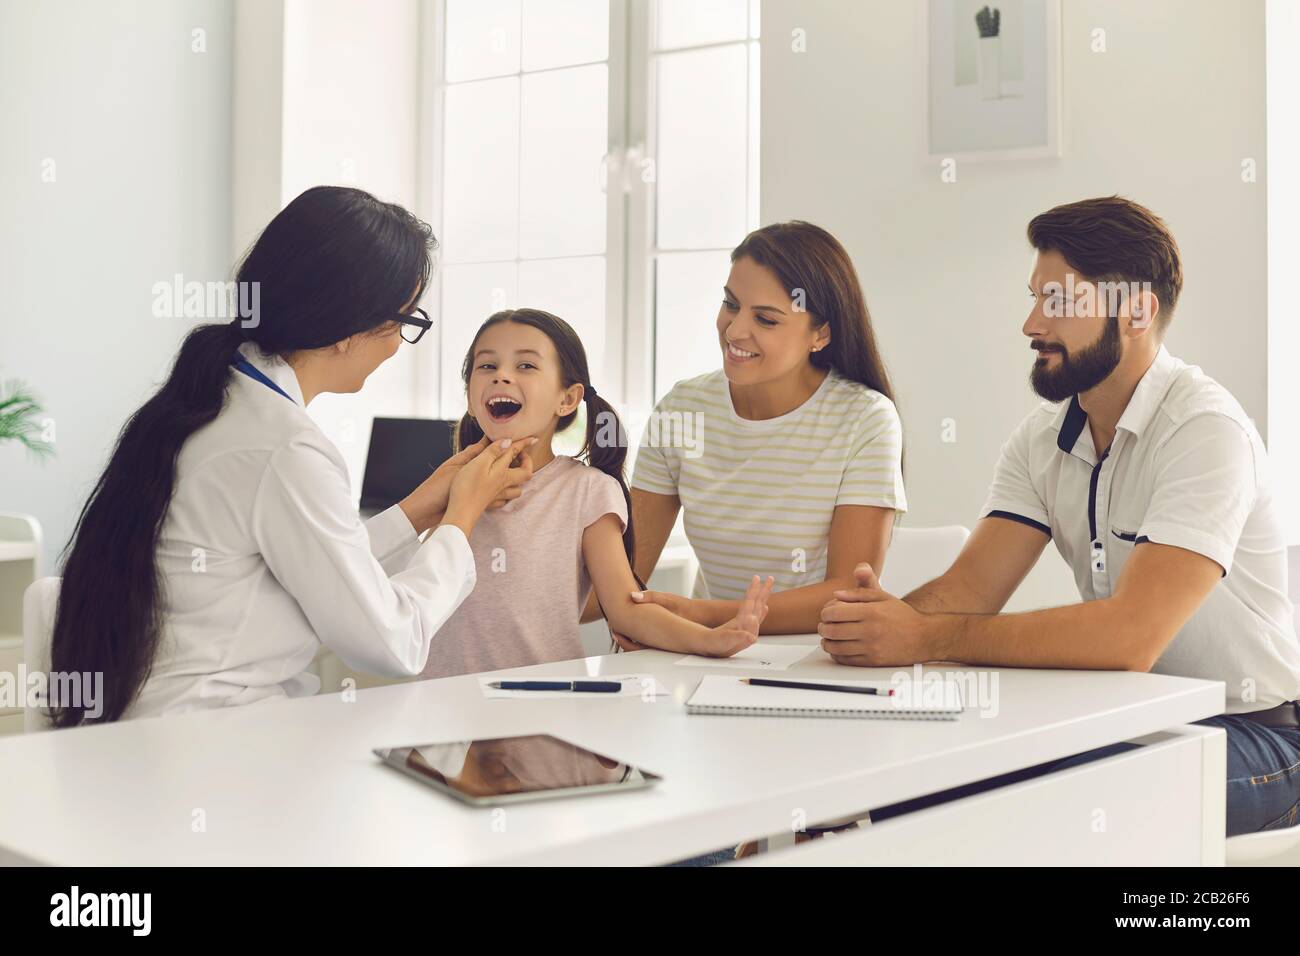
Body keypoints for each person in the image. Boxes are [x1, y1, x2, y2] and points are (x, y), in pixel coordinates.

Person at [819, 196, 1300, 835]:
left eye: (1058, 301)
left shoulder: (1205, 431)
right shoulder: (1042, 438)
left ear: (1137, 310)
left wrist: (926, 638)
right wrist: (869, 634)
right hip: (1126, 717)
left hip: (1254, 737)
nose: (1030, 323)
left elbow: (1131, 637)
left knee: (1040, 799)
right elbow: (968, 592)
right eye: (1035, 297)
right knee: (926, 777)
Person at [49, 186, 532, 724]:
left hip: (151, 730)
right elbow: (393, 642)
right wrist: (460, 521)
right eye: (405, 322)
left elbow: (318, 564)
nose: (399, 344)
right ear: (350, 327)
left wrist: (424, 507)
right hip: (207, 743)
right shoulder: (286, 448)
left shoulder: (219, 398)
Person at [419, 308, 773, 680]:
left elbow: (626, 609)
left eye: (526, 366)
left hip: (537, 716)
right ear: (472, 397)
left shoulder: (587, 492)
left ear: (568, 399)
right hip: (437, 718)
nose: (502, 375)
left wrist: (710, 640)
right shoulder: (448, 486)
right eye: (486, 366)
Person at [602, 221, 905, 637]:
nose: (735, 330)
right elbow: (624, 574)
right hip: (706, 654)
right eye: (731, 304)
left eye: (765, 319)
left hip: (817, 657)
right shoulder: (683, 408)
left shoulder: (864, 419)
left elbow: (846, 592)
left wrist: (702, 616)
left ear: (820, 334)